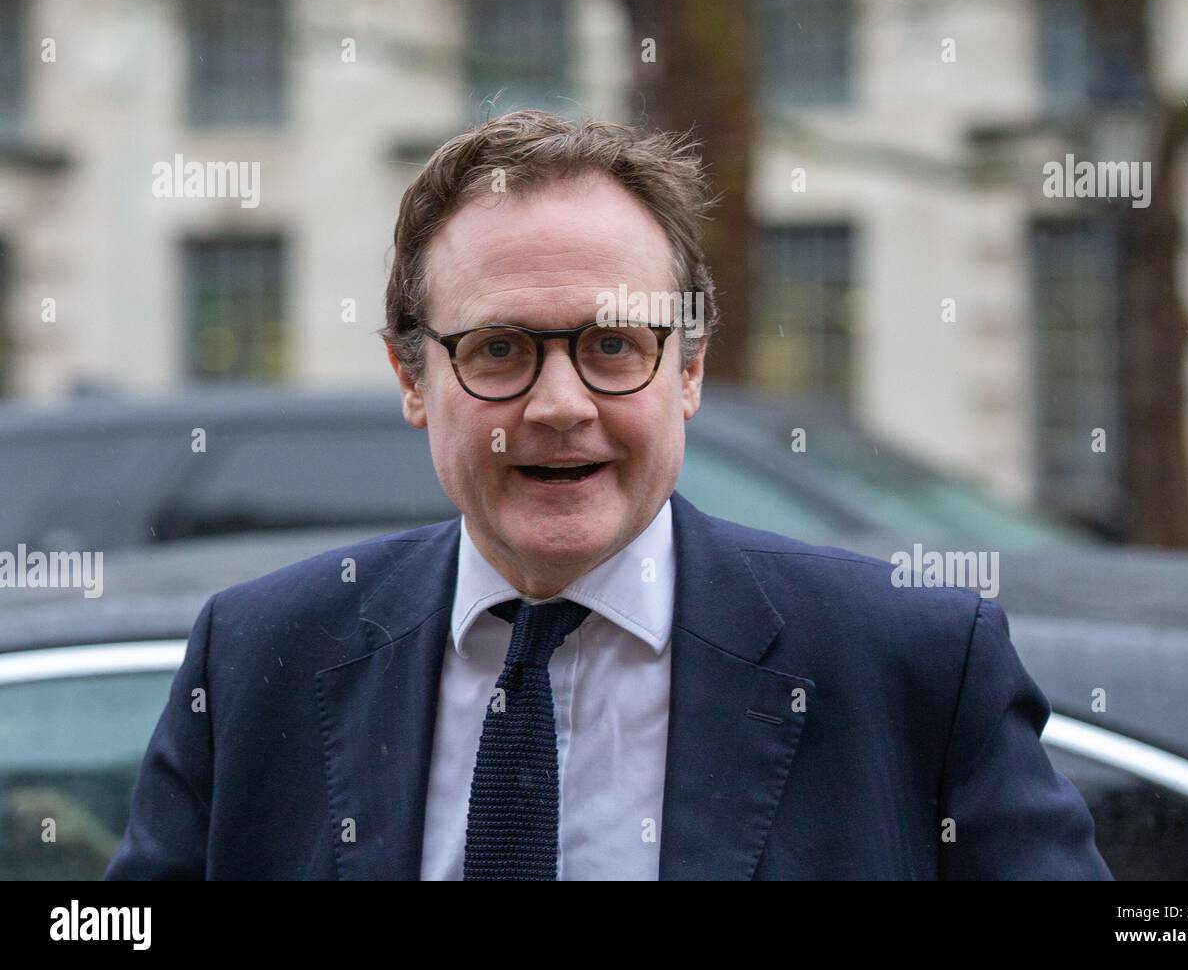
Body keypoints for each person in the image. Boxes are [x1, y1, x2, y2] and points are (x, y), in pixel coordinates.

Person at [104, 109, 1111, 881]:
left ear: (688, 371)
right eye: (498, 348)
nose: (558, 405)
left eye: (613, 346)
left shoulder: (910, 664)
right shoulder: (257, 657)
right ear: (413, 379)